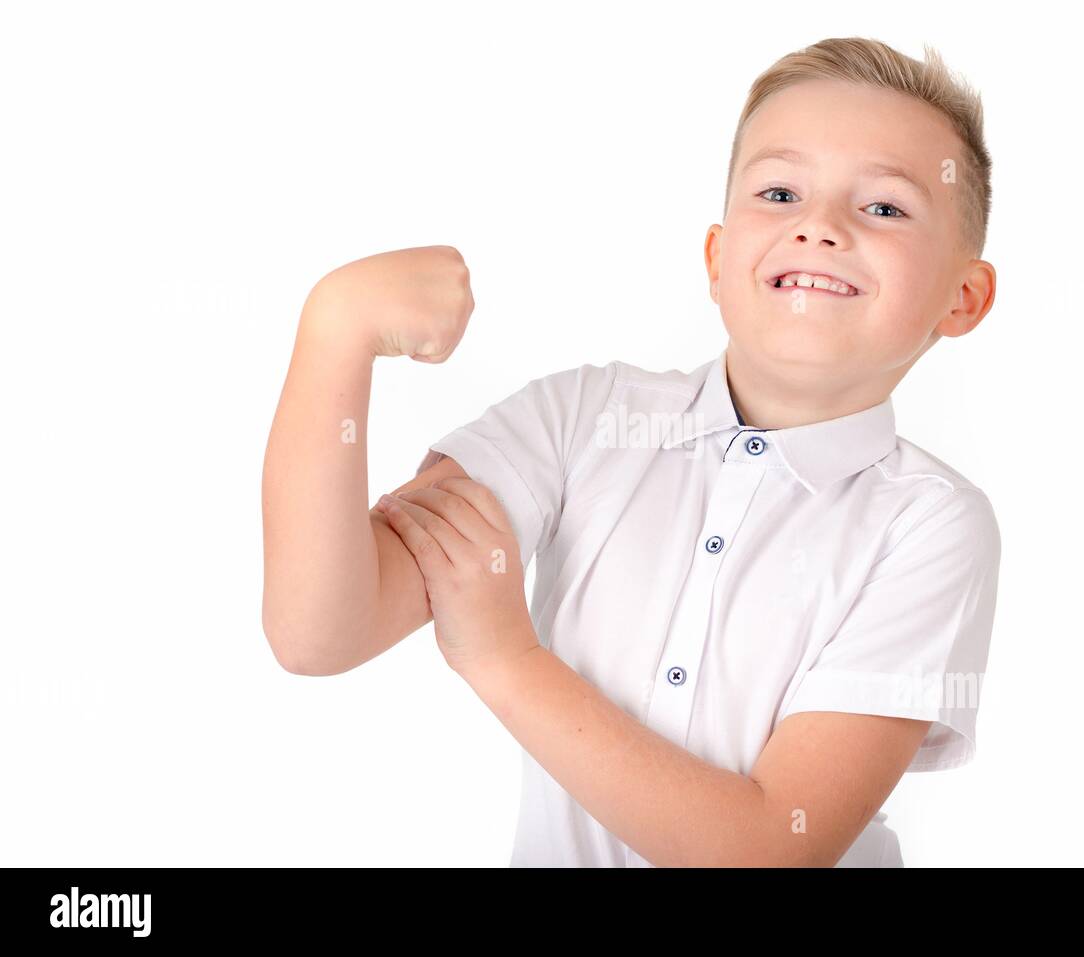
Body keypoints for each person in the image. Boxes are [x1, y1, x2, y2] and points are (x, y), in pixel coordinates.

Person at [262, 36, 1000, 868]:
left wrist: (504, 658)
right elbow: (316, 632)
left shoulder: (932, 524)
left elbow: (769, 849)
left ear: (963, 297)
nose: (819, 227)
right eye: (781, 190)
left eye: (886, 208)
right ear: (719, 261)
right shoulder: (580, 419)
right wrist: (334, 334)